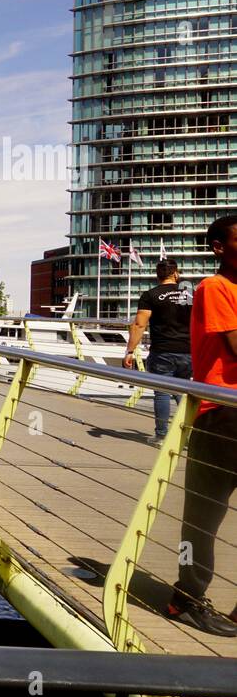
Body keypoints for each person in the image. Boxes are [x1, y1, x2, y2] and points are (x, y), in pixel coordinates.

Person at [168, 214, 237, 637]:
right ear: (219, 247)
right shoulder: (215, 288)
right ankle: (186, 599)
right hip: (221, 415)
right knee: (203, 516)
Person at [123, 258, 192, 442]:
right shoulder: (189, 295)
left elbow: (139, 325)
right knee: (182, 390)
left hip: (163, 350)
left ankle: (161, 436)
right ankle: (191, 435)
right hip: (188, 351)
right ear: (176, 273)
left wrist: (130, 351)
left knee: (161, 392)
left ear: (157, 275)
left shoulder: (150, 295)